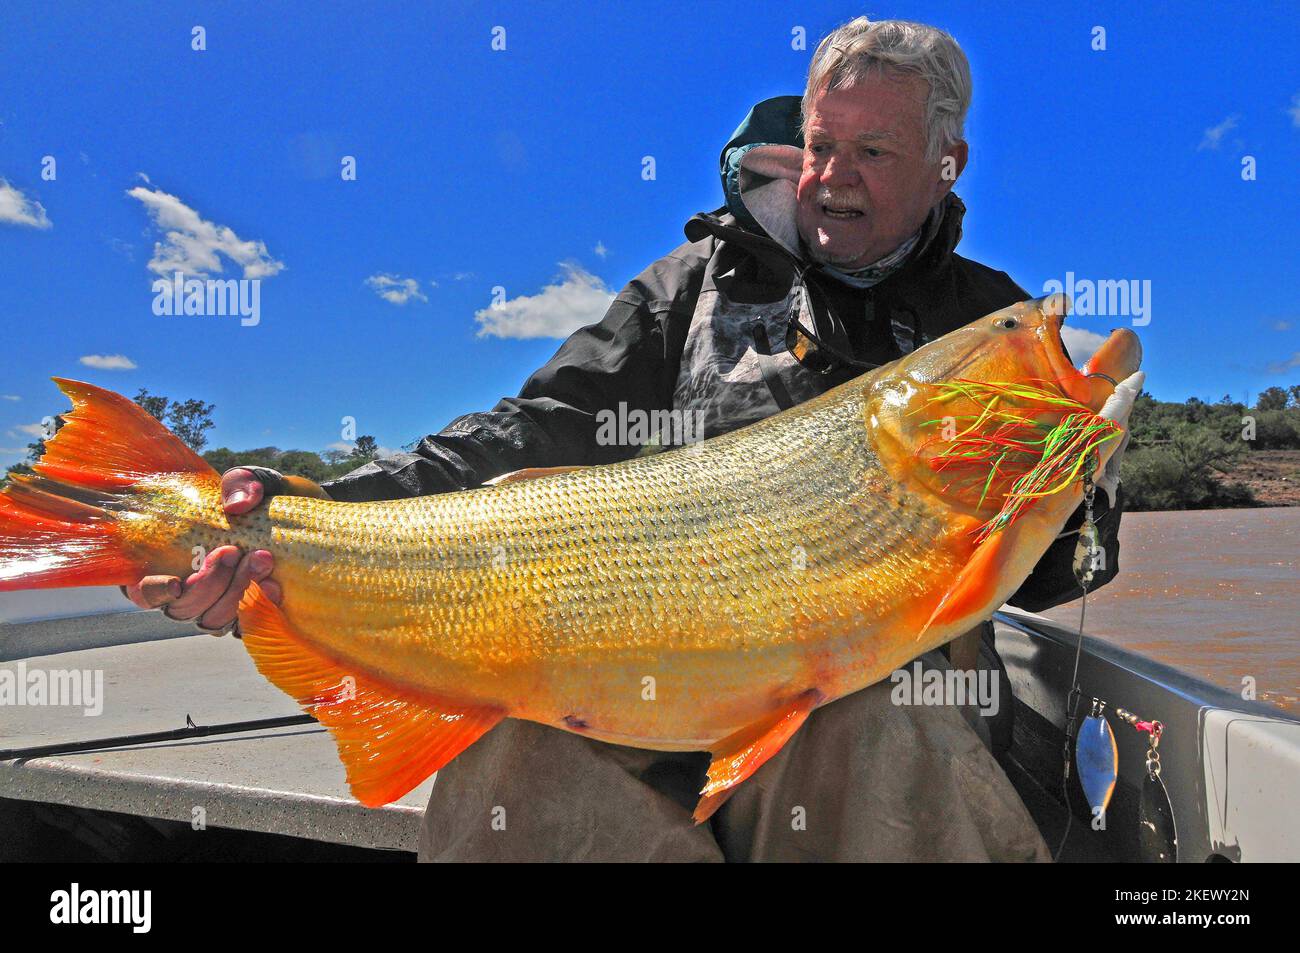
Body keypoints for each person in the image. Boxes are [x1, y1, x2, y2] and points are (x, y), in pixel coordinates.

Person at [125, 18, 1125, 861]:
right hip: (639, 687)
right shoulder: (686, 290)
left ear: (947, 162)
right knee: (508, 751)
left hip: (877, 694)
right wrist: (310, 511)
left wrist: (1072, 484)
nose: (830, 176)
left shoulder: (991, 323)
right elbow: (524, 435)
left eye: (873, 152)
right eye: (820, 143)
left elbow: (1051, 578)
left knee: (871, 725)